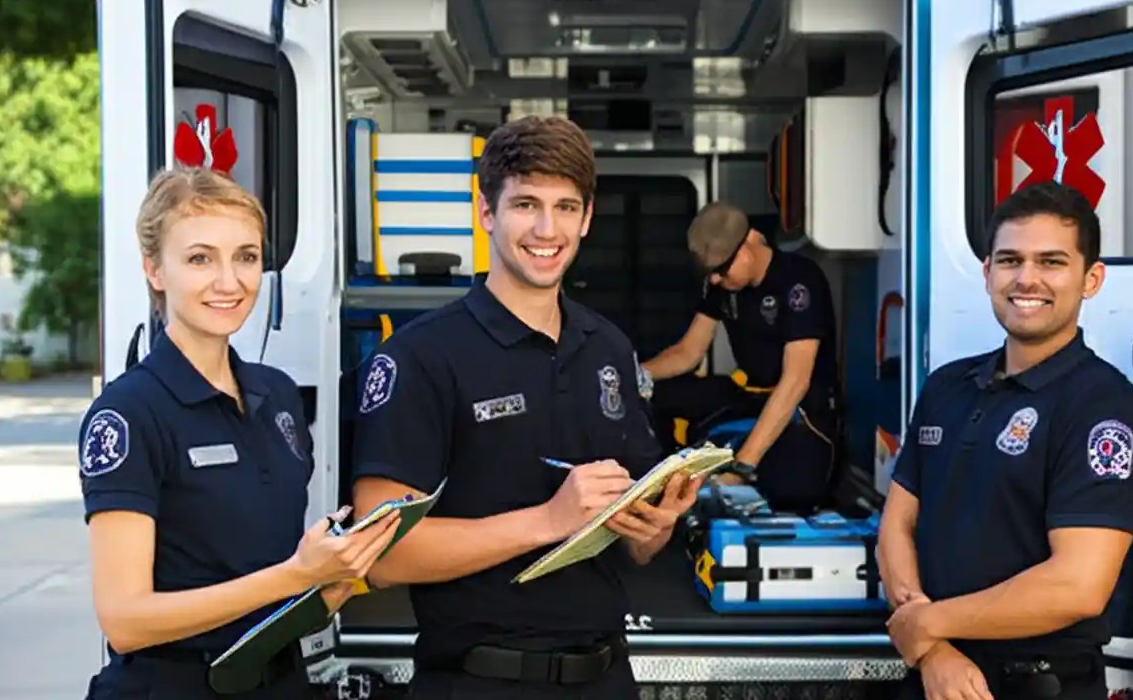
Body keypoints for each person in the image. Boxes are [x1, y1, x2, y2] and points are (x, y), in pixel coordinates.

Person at [349, 115, 702, 699]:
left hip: (608, 678)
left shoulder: (609, 348)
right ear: (487, 212)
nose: (547, 228)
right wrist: (548, 521)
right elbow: (381, 554)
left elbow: (638, 543)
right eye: (525, 204)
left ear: (587, 220)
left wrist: (652, 527)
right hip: (480, 682)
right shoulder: (420, 357)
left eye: (566, 207)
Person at [80, 166, 401, 699]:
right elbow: (124, 620)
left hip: (280, 681)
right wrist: (297, 576)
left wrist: (324, 590)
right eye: (200, 258)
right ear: (155, 270)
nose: (229, 281)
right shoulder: (130, 413)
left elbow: (261, 580)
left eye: (246, 257)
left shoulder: (276, 396)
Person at [877, 181, 1133, 700]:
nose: (1026, 279)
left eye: (1051, 262)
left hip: (1038, 683)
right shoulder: (946, 387)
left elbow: (1076, 586)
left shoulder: (1106, 410)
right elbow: (897, 522)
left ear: (1091, 278)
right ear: (987, 273)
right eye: (1010, 260)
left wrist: (927, 626)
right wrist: (933, 649)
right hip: (935, 675)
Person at [639, 202, 841, 515]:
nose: (716, 280)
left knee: (793, 492)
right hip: (749, 395)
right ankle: (655, 485)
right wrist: (633, 374)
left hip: (802, 409)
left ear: (748, 244)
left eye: (721, 269)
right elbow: (688, 353)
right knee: (657, 396)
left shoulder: (799, 282)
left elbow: (796, 381)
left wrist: (743, 465)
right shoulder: (721, 288)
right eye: (710, 273)